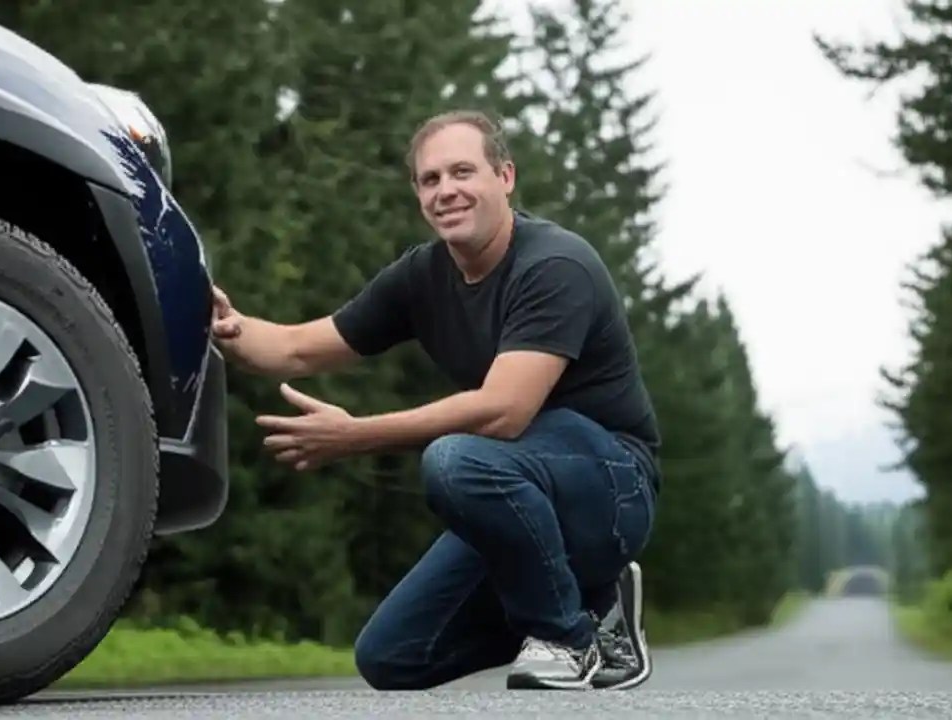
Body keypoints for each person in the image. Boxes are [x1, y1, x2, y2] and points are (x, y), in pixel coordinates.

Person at [208, 109, 660, 691]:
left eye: (463, 172)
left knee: (454, 460)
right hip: (513, 488)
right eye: (430, 179)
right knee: (393, 656)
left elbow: (504, 409)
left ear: (505, 177)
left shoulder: (555, 266)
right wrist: (225, 323)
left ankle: (566, 640)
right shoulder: (422, 277)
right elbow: (297, 349)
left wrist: (356, 435)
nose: (446, 190)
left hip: (613, 488)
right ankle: (595, 607)